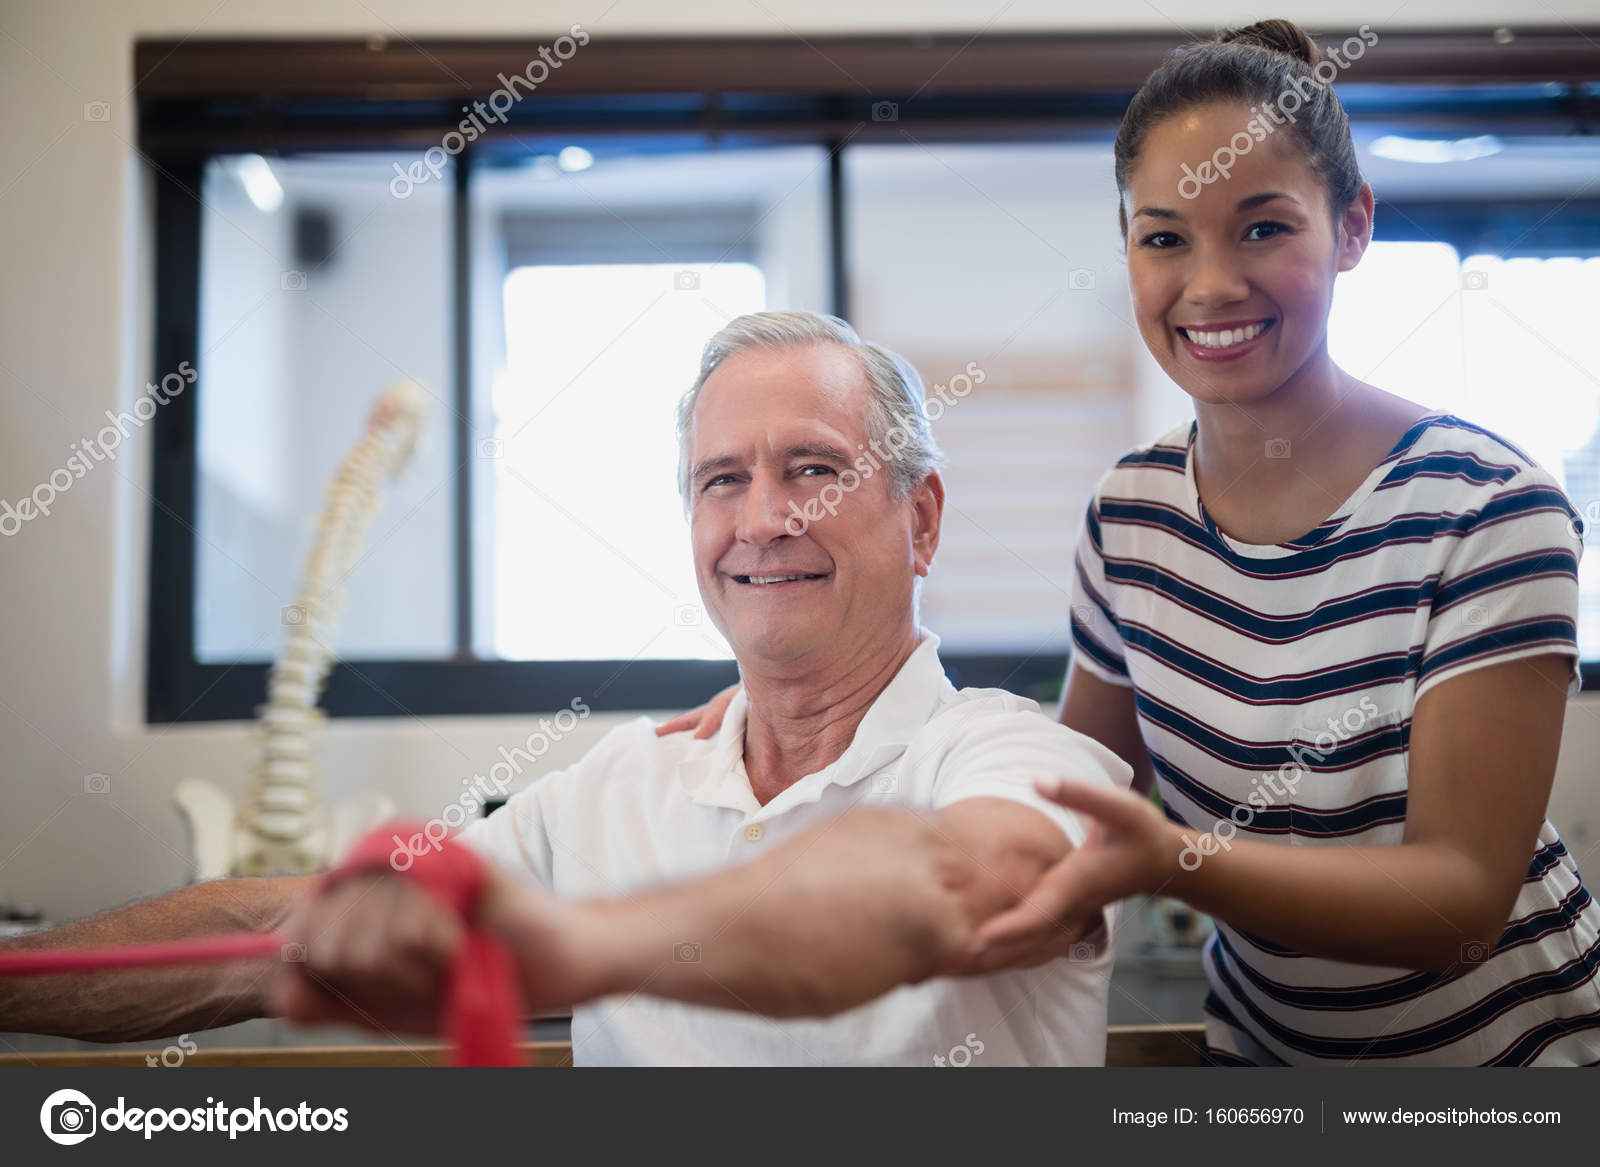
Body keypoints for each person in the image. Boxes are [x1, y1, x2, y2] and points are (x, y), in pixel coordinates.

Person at [659, 20, 1600, 1065]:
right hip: (1262, 1062)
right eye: (1163, 237)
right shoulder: (1133, 515)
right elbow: (1075, 780)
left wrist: (1173, 862)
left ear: (1351, 228)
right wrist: (799, 711)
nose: (1209, 285)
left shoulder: (1488, 507)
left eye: (1261, 229)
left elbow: (1458, 903)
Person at [0, 312, 1130, 1066]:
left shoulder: (1018, 758)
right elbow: (272, 934)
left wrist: (583, 943)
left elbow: (955, 885)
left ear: (920, 518)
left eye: (816, 470)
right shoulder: (616, 787)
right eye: (720, 480)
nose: (759, 520)